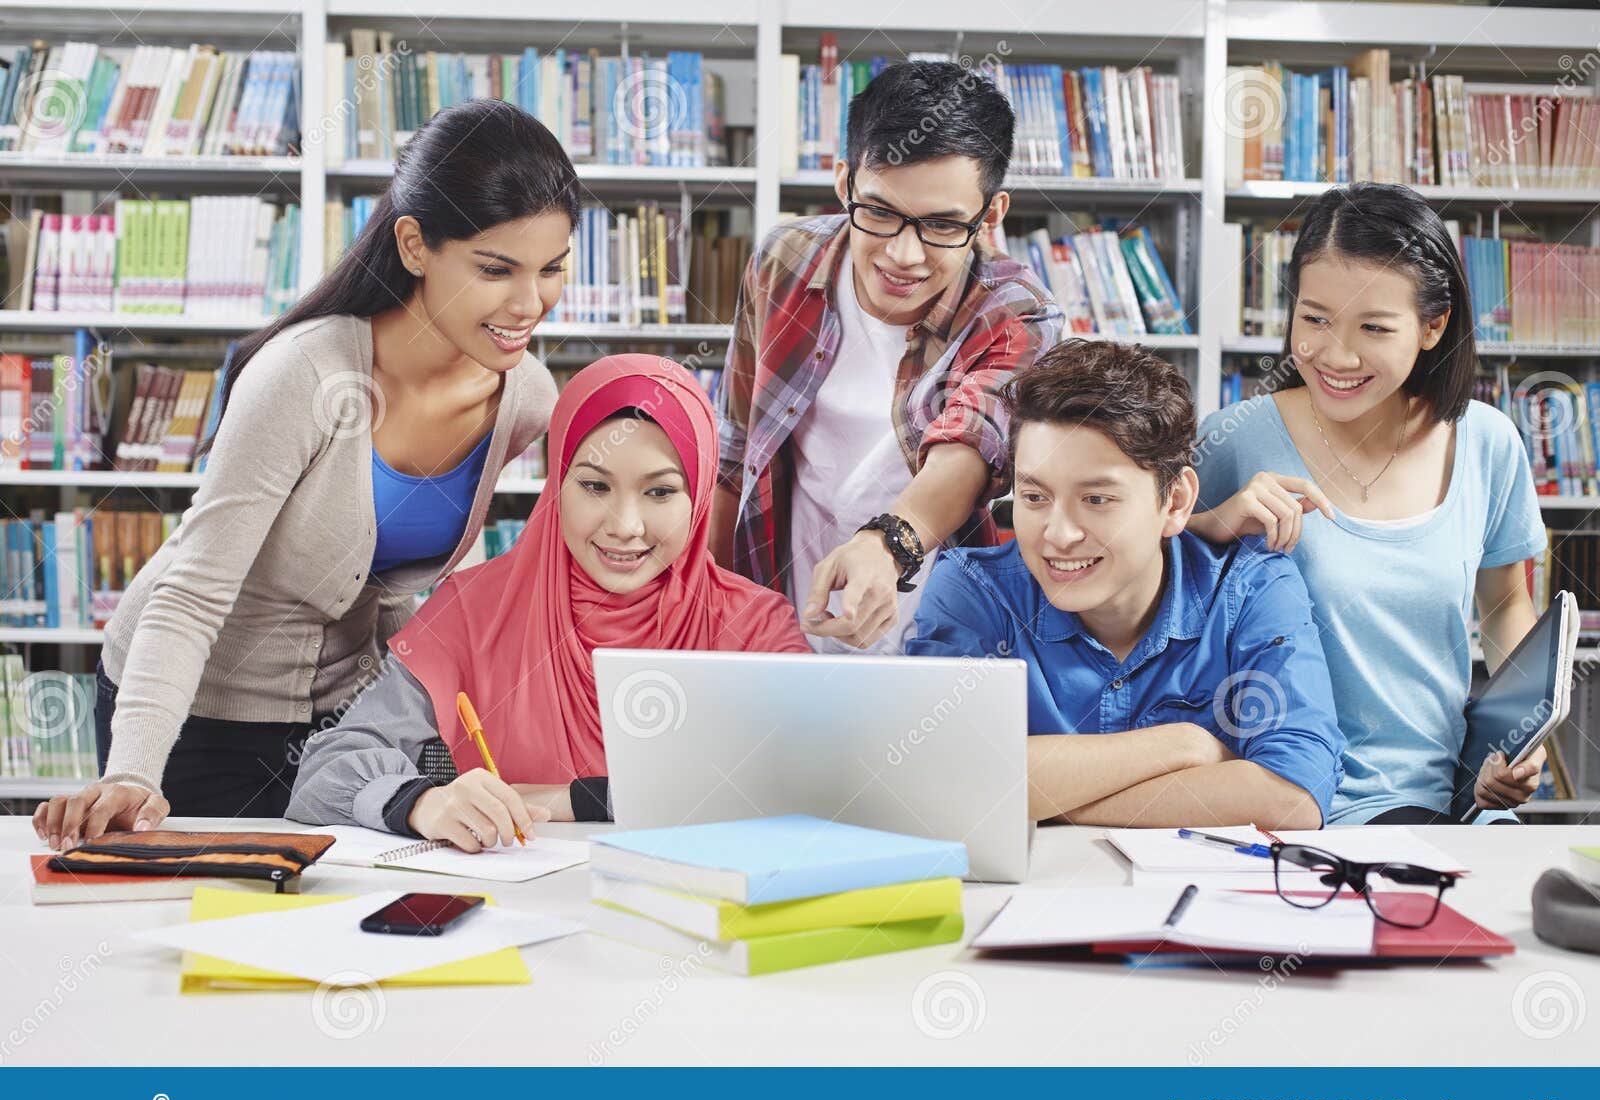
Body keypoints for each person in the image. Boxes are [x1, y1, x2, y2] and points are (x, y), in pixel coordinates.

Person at [34, 99, 578, 849]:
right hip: (197, 709)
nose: (529, 303)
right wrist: (134, 773)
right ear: (416, 246)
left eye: (551, 269)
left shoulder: (524, 399)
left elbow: (401, 586)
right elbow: (190, 593)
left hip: (341, 724)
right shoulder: (308, 375)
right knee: (212, 924)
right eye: (496, 269)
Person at [285, 355, 810, 847]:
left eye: (660, 492)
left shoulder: (754, 626)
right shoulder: (472, 610)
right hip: (512, 916)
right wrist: (422, 802)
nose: (625, 527)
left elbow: (812, 781)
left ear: (697, 497)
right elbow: (325, 773)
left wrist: (568, 800)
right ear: (557, 483)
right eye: (594, 487)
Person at [1190, 181, 1546, 824]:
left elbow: (1504, 603)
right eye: (1314, 318)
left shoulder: (1487, 442)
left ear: (1433, 326)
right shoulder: (1234, 438)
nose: (1335, 355)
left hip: (1446, 797)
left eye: (1374, 327)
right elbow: (1136, 576)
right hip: (1282, 798)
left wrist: (1523, 738)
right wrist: (1211, 524)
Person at [907, 339, 1342, 828]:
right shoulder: (973, 592)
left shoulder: (1254, 587)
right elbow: (936, 782)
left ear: (1176, 501)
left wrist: (1032, 800)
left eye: (1096, 499)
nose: (1059, 534)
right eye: (1033, 496)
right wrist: (1182, 746)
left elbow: (1292, 798)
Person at [710, 61, 1063, 655]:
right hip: (779, 632)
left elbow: (970, 445)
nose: (903, 255)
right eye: (879, 213)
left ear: (992, 216)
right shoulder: (782, 263)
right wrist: (710, 614)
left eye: (942, 225)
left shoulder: (1018, 313)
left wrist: (888, 543)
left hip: (940, 643)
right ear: (845, 181)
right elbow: (735, 454)